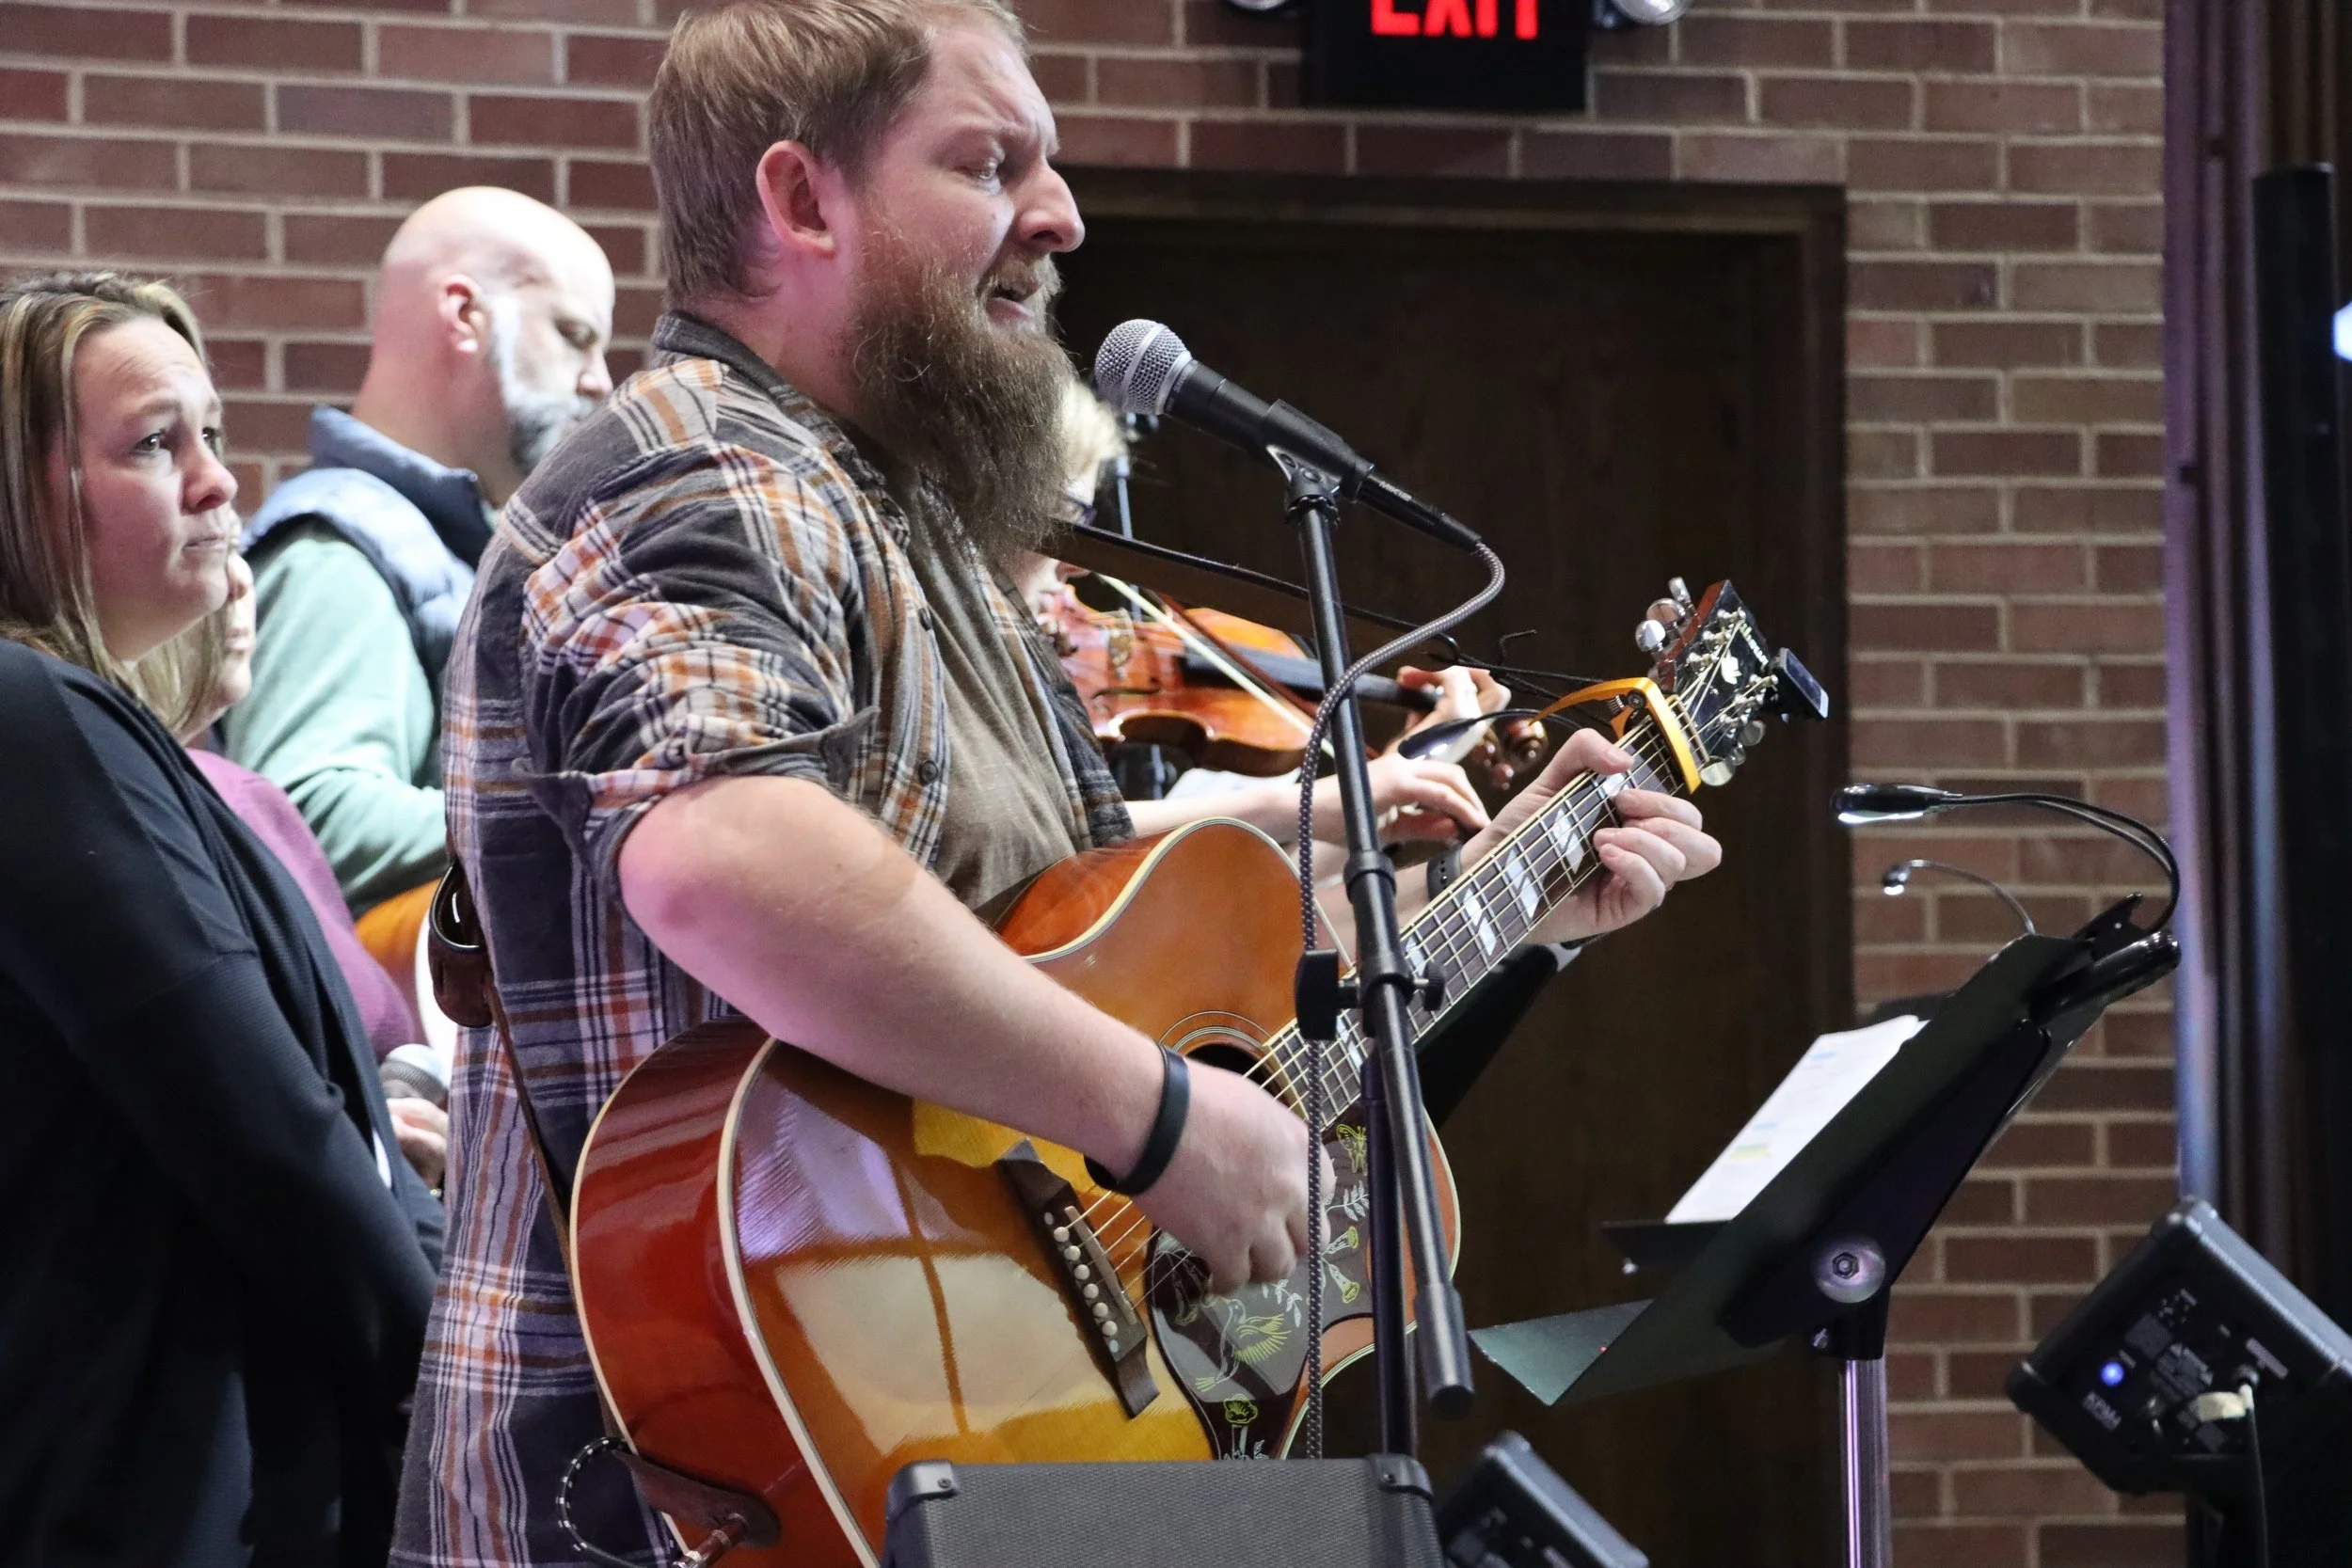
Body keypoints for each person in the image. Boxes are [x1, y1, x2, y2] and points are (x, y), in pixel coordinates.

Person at [396, 4, 1719, 1563]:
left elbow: (1101, 970)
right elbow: (721, 859)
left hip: (935, 1443)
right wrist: (1158, 1125)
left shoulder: (895, 515)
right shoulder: (702, 472)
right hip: (688, 1474)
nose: (1062, 215)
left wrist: (1497, 900)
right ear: (802, 200)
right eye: (988, 162)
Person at [0, 271, 442, 1566]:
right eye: (153, 444)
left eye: (209, 434)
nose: (216, 483)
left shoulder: (90, 728)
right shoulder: (31, 712)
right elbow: (267, 1133)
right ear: (24, 491)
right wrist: (479, 1374)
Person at [222, 187, 616, 918]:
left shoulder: (425, 543)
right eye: (572, 333)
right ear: (465, 315)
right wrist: (595, 814)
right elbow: (309, 811)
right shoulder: (338, 547)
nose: (601, 380)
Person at [177, 550, 451, 1185]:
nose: (238, 576)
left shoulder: (249, 799)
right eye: (155, 446)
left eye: (234, 543)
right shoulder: (184, 800)